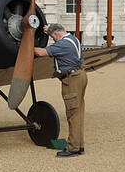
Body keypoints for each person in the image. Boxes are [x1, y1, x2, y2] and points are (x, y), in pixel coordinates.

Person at [34, 23, 87, 157]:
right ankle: (79, 145)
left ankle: (73, 148)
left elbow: (41, 52)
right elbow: (55, 33)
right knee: (78, 112)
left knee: (72, 114)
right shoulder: (73, 39)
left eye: (53, 37)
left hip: (72, 79)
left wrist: (26, 43)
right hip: (80, 75)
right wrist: (48, 30)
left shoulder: (63, 44)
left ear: (57, 34)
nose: (53, 40)